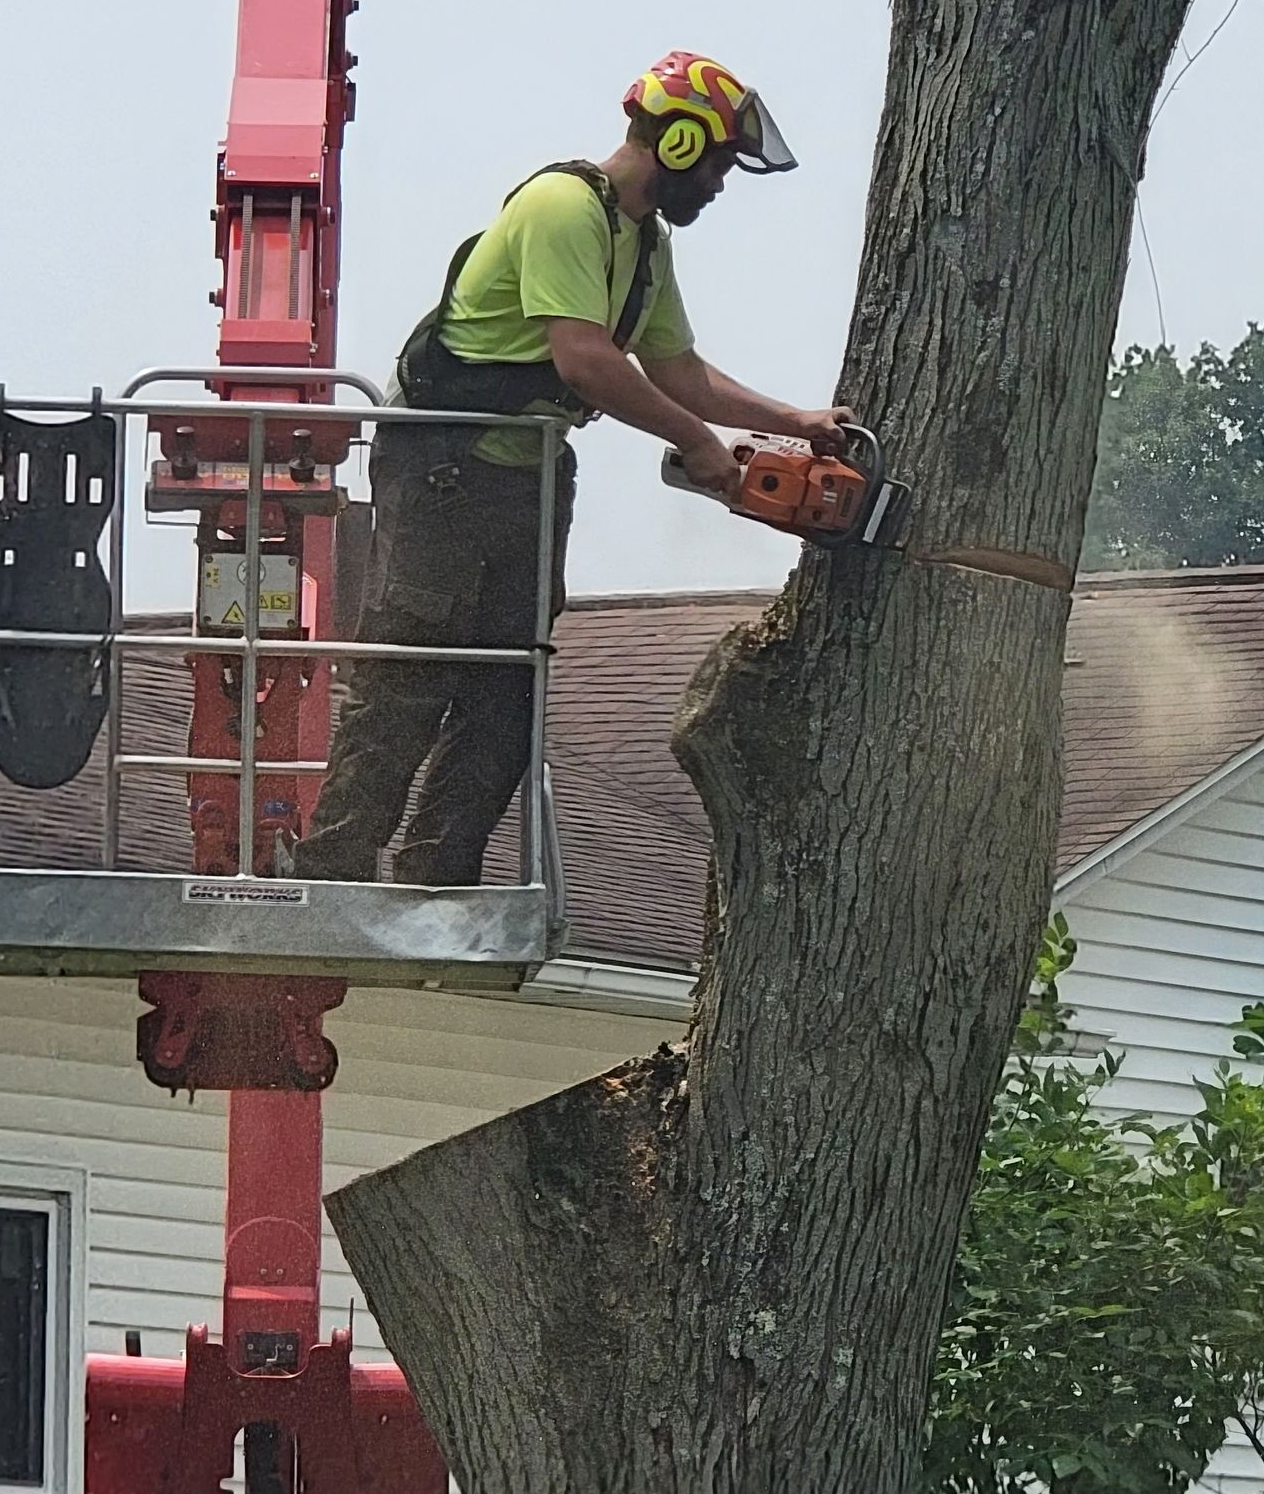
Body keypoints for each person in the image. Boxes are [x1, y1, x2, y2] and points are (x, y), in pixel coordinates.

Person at [293, 51, 853, 886]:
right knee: (409, 674)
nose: (720, 186)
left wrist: (793, 423)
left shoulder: (644, 243)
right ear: (681, 139)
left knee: (505, 694)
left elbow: (678, 369)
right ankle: (329, 873)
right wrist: (699, 443)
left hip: (529, 475)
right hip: (444, 468)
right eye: (718, 165)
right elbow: (586, 360)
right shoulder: (563, 207)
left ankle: (435, 882)